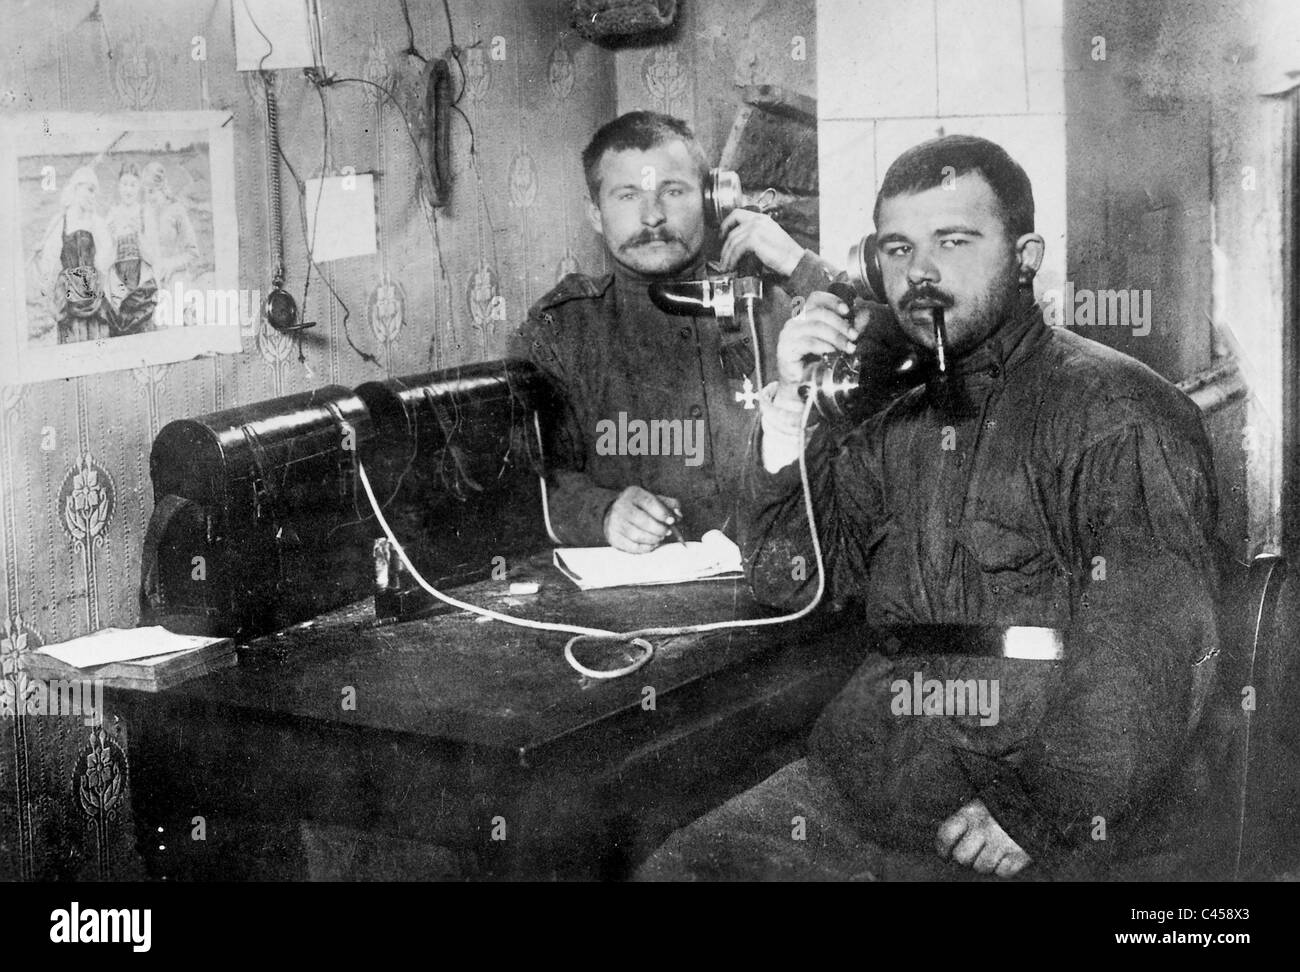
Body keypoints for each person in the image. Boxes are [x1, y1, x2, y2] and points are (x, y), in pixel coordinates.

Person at [637, 134, 1221, 880]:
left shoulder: (1117, 413)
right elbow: (793, 581)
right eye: (898, 248)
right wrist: (789, 413)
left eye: (954, 240)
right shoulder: (895, 425)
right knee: (678, 870)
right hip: (870, 785)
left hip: (1017, 807)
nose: (921, 273)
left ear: (1026, 257)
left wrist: (1040, 812)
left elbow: (1149, 648)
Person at [509, 111, 848, 552]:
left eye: (673, 191)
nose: (652, 216)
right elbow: (526, 479)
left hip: (778, 584)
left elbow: (883, 347)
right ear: (595, 213)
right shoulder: (561, 330)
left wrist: (800, 266)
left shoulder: (772, 305)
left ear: (711, 203)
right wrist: (602, 512)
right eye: (628, 195)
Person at [34, 165, 116, 344]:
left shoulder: (96, 221)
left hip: (91, 292)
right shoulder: (61, 221)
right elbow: (49, 260)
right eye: (89, 190)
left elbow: (106, 256)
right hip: (68, 295)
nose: (92, 196)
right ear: (77, 188)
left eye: (95, 192)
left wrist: (99, 280)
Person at [105, 162, 159, 334]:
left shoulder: (145, 213)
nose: (128, 190)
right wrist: (113, 241)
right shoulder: (112, 215)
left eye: (133, 185)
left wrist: (139, 235)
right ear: (119, 186)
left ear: (139, 187)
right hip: (118, 284)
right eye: (124, 184)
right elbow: (105, 261)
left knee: (143, 328)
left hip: (142, 284)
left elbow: (153, 257)